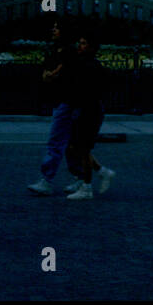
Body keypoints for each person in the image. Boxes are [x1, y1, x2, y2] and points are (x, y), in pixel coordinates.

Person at [27, 21, 114, 195]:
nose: (53, 30)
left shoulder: (71, 53)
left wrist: (52, 75)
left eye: (57, 28)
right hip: (70, 101)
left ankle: (52, 180)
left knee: (63, 142)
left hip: (70, 102)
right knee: (74, 146)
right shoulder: (62, 51)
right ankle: (89, 176)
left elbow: (68, 72)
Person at [64, 34, 107, 200]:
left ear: (91, 47)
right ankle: (100, 173)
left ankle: (87, 186)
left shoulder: (89, 66)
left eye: (83, 43)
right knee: (77, 147)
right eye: (79, 42)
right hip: (87, 109)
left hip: (88, 110)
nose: (79, 46)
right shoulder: (88, 64)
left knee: (82, 149)